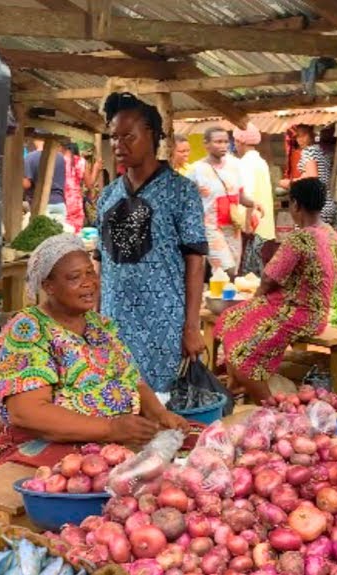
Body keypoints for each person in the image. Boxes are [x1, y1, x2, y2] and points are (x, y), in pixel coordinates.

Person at [0, 234, 190, 467]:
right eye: (74, 277)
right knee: (102, 476)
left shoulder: (98, 325)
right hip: (39, 445)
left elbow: (135, 382)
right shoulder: (27, 330)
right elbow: (27, 412)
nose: (88, 282)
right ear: (48, 286)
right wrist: (110, 429)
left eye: (90, 272)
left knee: (194, 445)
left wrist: (160, 416)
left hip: (109, 439)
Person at [98, 92, 208, 393]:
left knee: (160, 411)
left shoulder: (180, 192)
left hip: (162, 325)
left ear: (153, 135)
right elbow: (101, 263)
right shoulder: (108, 196)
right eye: (114, 137)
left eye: (128, 137)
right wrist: (93, 322)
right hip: (113, 323)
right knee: (116, 402)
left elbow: (195, 261)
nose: (119, 145)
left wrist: (190, 326)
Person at [216, 178, 337, 405]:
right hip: (318, 312)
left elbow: (269, 279)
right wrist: (317, 289)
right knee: (233, 319)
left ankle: (269, 405)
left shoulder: (300, 238)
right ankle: (237, 387)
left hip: (296, 312)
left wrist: (257, 300)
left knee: (242, 352)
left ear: (296, 205)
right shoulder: (332, 235)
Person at [189, 127, 263, 273]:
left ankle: (221, 296)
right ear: (206, 144)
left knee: (233, 271)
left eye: (225, 141)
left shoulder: (234, 166)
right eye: (218, 142)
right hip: (210, 227)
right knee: (226, 268)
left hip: (233, 227)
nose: (223, 146)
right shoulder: (196, 170)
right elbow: (184, 200)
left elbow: (240, 196)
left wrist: (254, 204)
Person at [232, 123, 276, 276]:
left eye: (235, 141)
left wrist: (246, 227)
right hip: (266, 229)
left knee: (248, 278)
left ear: (240, 141)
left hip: (253, 230)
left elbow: (247, 196)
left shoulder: (245, 164)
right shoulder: (261, 162)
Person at [279, 124, 337, 226]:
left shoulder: (309, 151)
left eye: (303, 135)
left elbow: (312, 176)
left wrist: (290, 183)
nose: (300, 140)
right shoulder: (323, 150)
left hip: (314, 208)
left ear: (311, 134)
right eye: (298, 136)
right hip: (327, 203)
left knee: (306, 239)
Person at [24, 139, 67, 223]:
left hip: (42, 205)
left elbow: (26, 184)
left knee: (43, 235)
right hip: (60, 203)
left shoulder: (29, 158)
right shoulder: (60, 157)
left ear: (36, 139)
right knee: (60, 235)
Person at [62, 142, 87, 232]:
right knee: (76, 229)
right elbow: (90, 184)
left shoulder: (59, 160)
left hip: (62, 198)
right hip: (75, 200)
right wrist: (96, 168)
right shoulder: (81, 161)